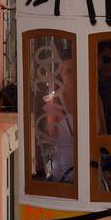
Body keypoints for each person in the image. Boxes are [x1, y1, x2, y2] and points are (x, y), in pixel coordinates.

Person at [36, 51, 77, 183]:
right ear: (61, 73)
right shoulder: (54, 102)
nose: (73, 76)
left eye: (75, 70)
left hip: (90, 168)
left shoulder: (93, 98)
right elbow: (50, 138)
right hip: (64, 171)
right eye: (68, 71)